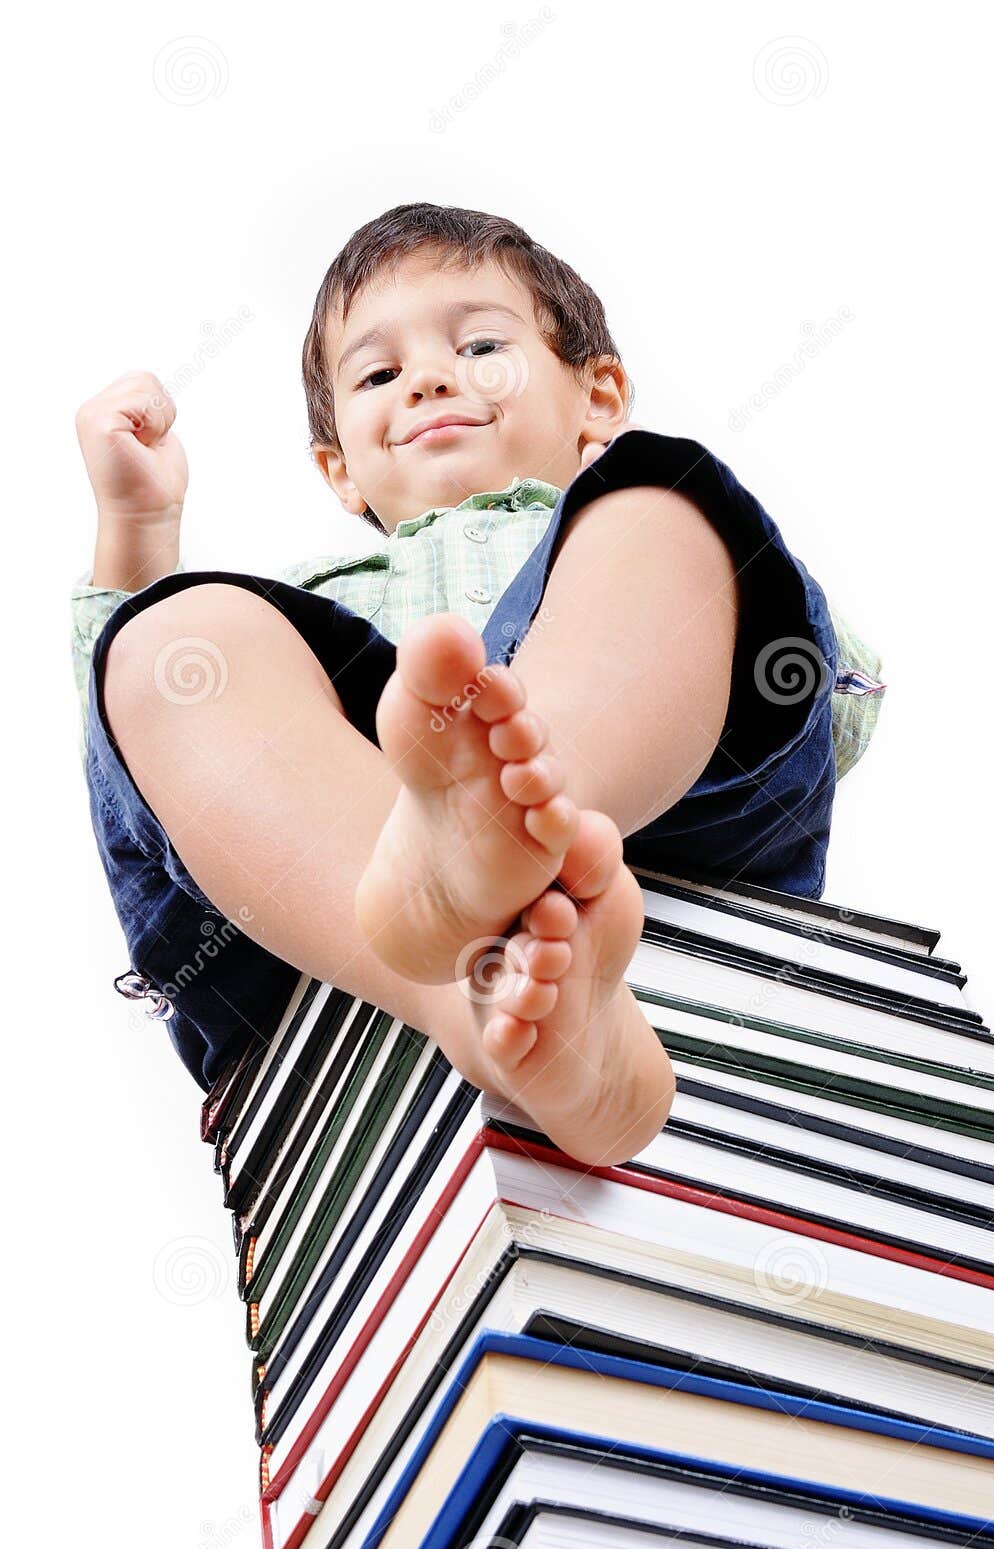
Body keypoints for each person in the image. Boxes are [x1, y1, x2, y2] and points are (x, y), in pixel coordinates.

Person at [70, 202, 885, 1168]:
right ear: (341, 471)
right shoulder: (306, 615)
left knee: (668, 502)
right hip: (335, 854)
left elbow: (831, 700)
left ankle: (516, 806)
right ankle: (473, 985)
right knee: (171, 639)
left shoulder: (616, 516)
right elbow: (131, 736)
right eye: (377, 374)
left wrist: (691, 577)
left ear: (599, 394)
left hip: (650, 799)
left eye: (481, 345)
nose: (426, 377)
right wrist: (139, 521)